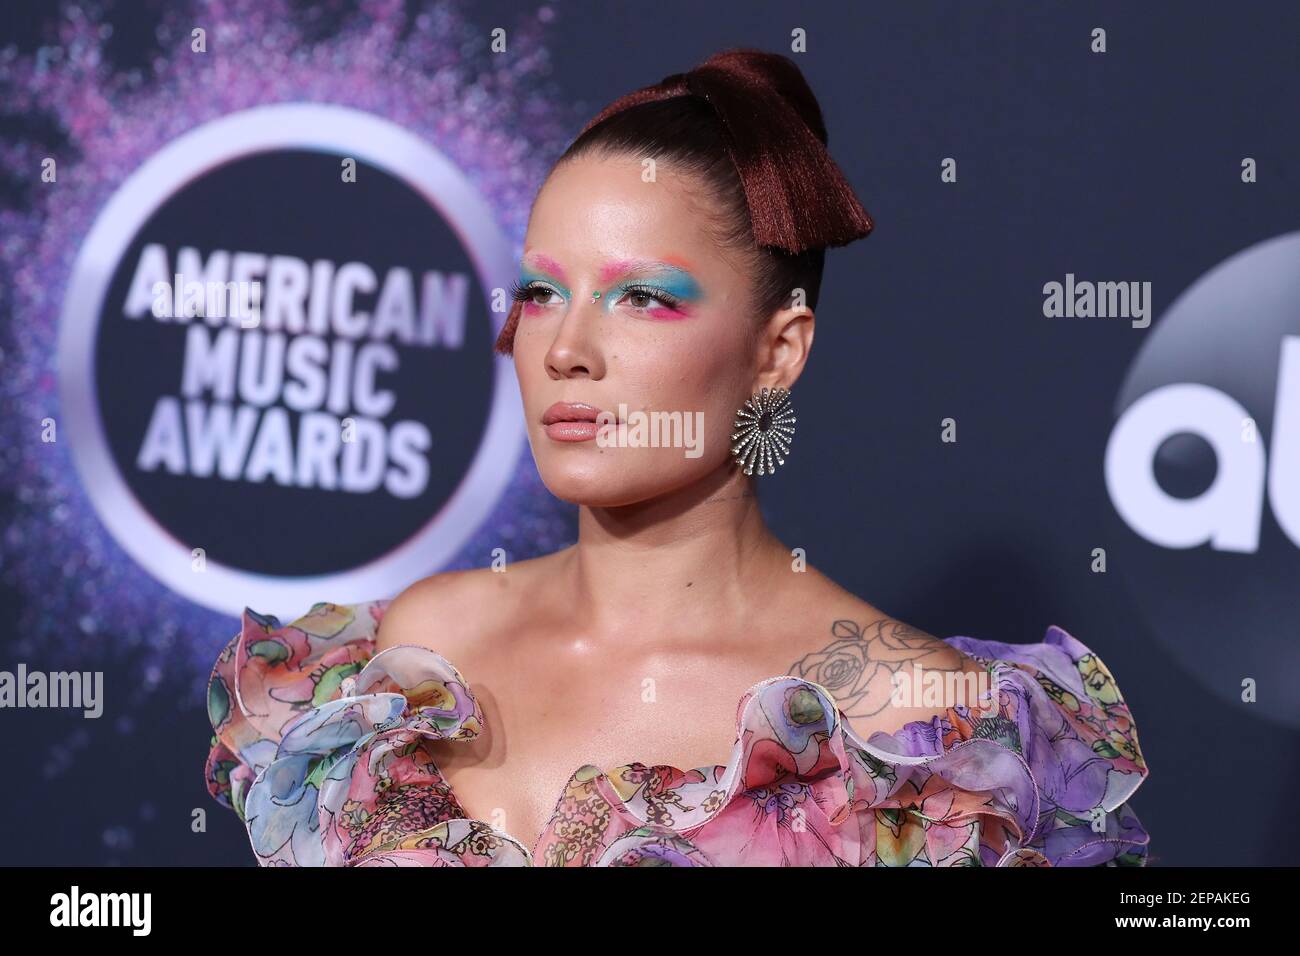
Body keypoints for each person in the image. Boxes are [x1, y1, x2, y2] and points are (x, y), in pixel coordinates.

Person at [204, 48, 1149, 867]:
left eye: (644, 299)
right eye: (541, 289)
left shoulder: (915, 727)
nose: (566, 347)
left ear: (778, 351)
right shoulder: (425, 647)